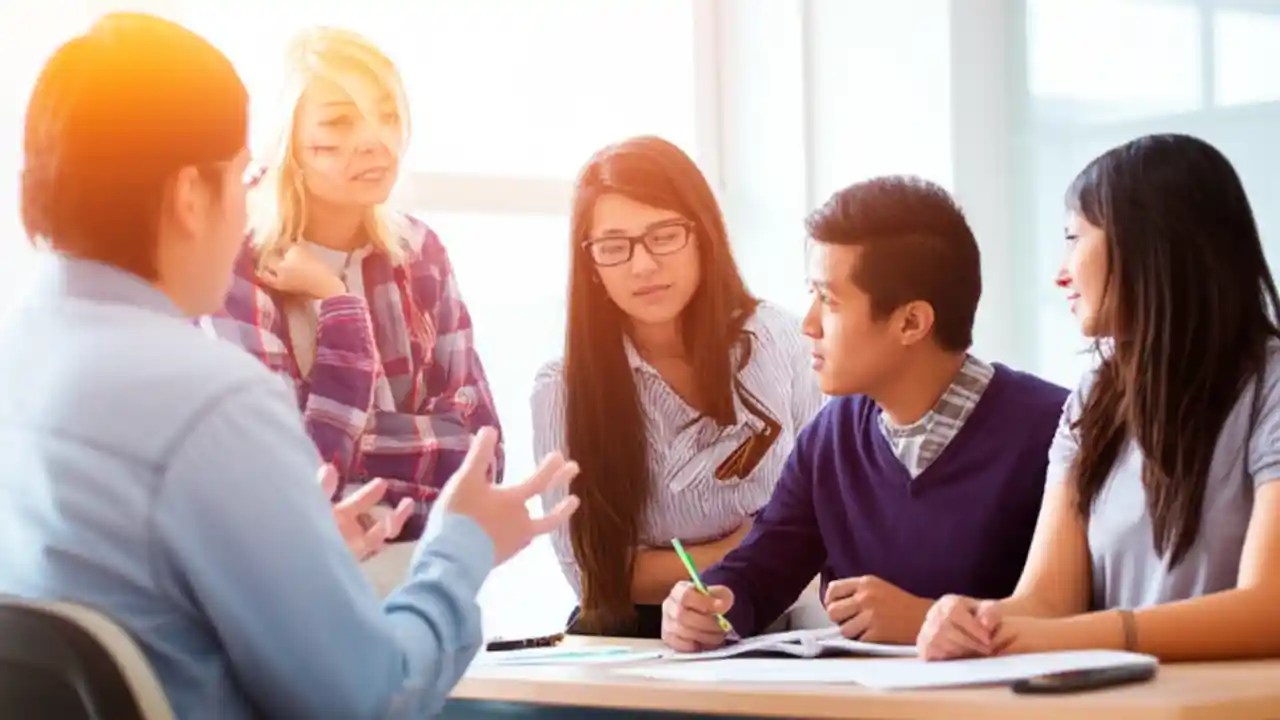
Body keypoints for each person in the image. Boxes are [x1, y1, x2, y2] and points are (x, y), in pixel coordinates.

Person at [0, 14, 578, 720]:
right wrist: (462, 547)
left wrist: (292, 540)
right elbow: (372, 695)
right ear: (190, 197)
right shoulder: (207, 400)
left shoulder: (25, 354)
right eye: (243, 174)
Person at [659, 176, 1070, 652]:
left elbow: (1079, 615)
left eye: (829, 301)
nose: (808, 324)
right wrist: (708, 609)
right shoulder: (830, 437)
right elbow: (760, 569)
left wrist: (924, 620)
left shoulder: (1055, 431)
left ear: (911, 322)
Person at [917, 134, 1280, 661]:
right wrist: (973, 620)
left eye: (1073, 237)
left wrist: (1083, 636)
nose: (1061, 272)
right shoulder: (1093, 399)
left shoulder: (1270, 385)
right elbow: (1045, 603)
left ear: (1151, 244)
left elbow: (1269, 609)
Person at [204, 26, 501, 541]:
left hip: (419, 569)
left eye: (387, 116)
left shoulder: (419, 252)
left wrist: (352, 438)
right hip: (294, 574)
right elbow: (293, 477)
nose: (373, 142)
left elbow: (482, 456)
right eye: (340, 122)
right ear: (288, 139)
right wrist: (338, 304)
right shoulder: (236, 261)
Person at [533, 136, 823, 638]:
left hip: (776, 627)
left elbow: (826, 517)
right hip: (631, 642)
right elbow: (591, 575)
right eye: (614, 247)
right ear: (593, 266)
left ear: (703, 235)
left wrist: (669, 564)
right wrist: (740, 549)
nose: (642, 265)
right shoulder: (563, 388)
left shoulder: (782, 343)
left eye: (664, 235)